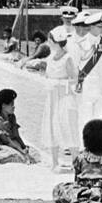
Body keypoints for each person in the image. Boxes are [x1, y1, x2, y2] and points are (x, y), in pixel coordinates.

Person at [40, 27, 81, 169]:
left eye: (50, 40)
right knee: (52, 126)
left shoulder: (67, 58)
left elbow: (75, 79)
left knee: (67, 126)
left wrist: (59, 83)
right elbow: (47, 76)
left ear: (56, 41)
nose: (48, 42)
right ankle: (55, 162)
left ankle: (76, 161)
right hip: (52, 97)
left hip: (64, 96)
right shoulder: (50, 58)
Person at [75, 12, 102, 134]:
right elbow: (76, 67)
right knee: (85, 117)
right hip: (87, 85)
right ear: (91, 27)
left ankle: (100, 147)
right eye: (99, 26)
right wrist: (77, 83)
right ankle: (85, 147)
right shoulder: (82, 43)